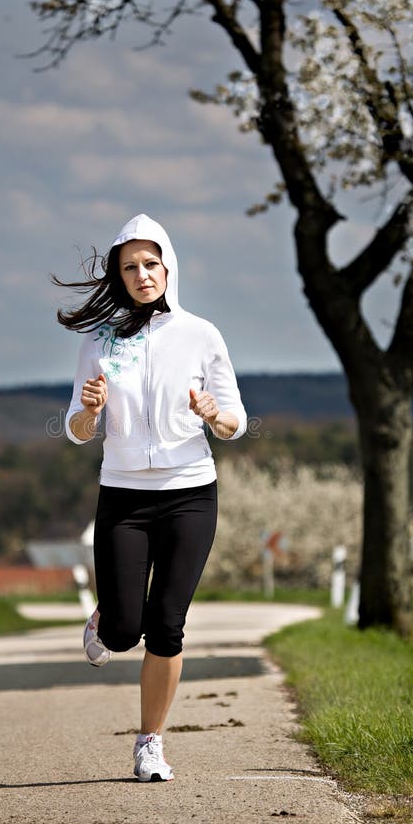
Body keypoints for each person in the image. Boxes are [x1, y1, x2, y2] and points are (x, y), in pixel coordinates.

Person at [54, 214, 246, 783]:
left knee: (166, 624)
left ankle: (149, 744)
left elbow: (235, 422)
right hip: (124, 496)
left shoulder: (201, 334)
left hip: (190, 493)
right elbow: (75, 429)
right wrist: (90, 412)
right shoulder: (100, 340)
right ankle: (106, 618)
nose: (142, 275)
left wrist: (213, 414)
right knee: (122, 633)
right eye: (130, 267)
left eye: (151, 264)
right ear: (119, 275)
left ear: (168, 267)